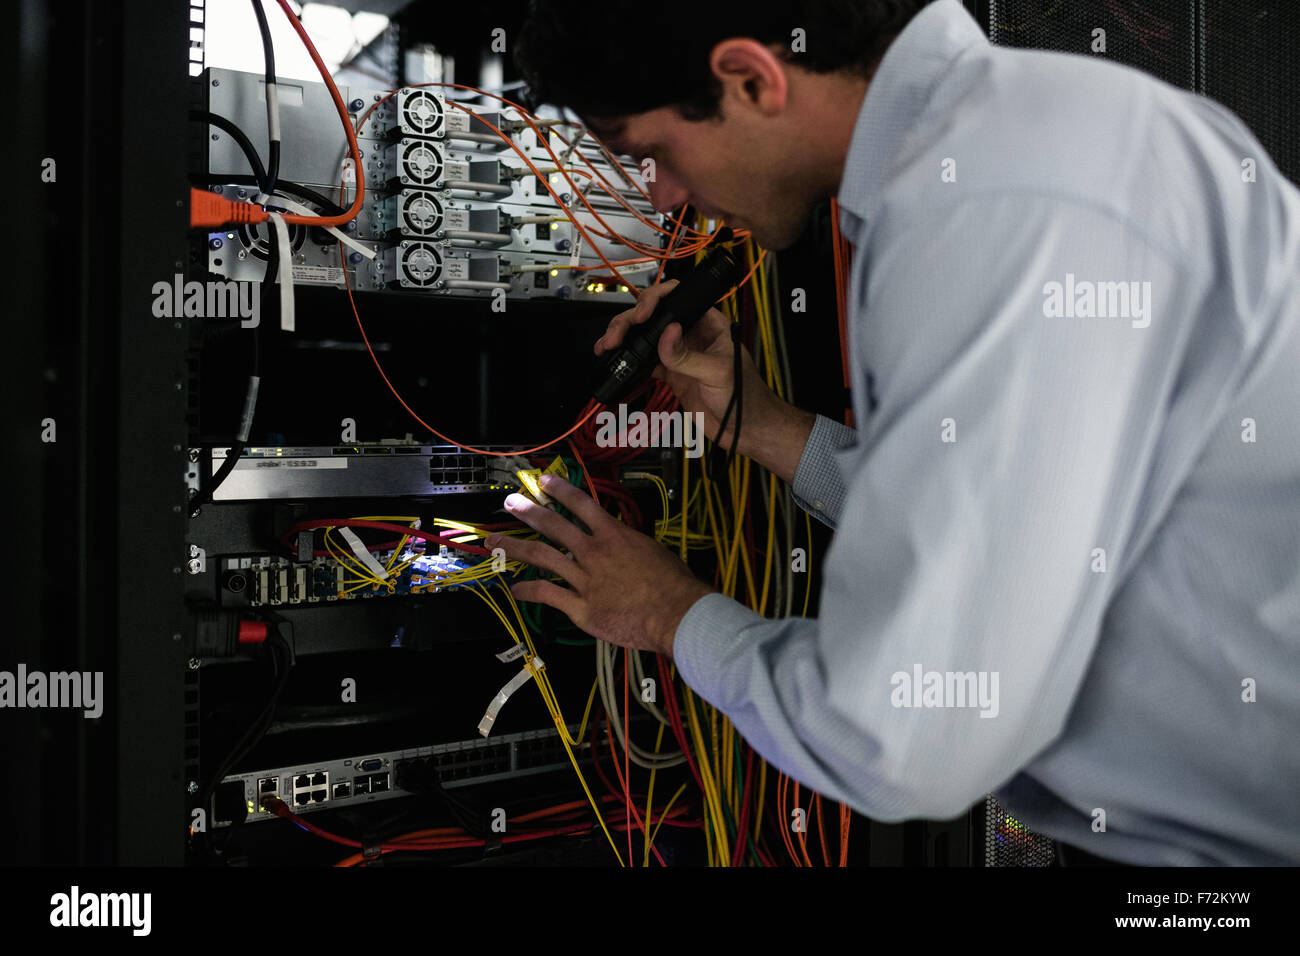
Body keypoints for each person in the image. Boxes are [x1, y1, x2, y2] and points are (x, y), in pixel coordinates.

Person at [481, 0, 1300, 865]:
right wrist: (757, 424)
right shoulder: (1014, 148)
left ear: (752, 80)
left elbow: (909, 735)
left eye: (652, 155)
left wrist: (672, 615)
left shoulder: (997, 197)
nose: (665, 196)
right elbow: (1021, 528)